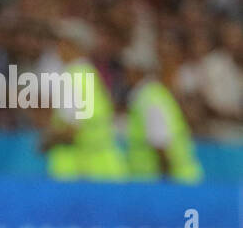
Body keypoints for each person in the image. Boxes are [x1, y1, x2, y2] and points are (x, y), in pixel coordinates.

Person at [40, 18, 126, 181]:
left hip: (82, 174)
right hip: (104, 170)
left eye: (59, 43)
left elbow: (71, 130)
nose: (56, 49)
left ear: (71, 45)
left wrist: (46, 141)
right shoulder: (88, 74)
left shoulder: (72, 77)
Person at [126, 42, 203, 184]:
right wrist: (167, 183)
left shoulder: (158, 95)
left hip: (168, 180)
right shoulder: (153, 98)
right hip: (169, 182)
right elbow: (159, 143)